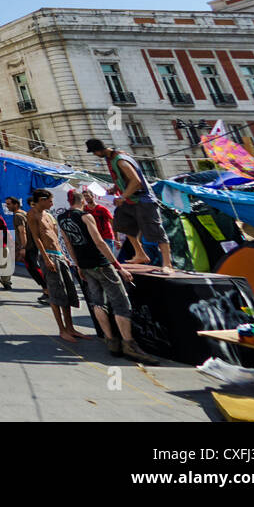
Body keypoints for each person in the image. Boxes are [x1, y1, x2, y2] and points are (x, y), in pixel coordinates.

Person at [58, 189, 160, 364]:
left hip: (85, 264)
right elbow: (99, 242)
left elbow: (68, 242)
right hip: (100, 263)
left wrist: (78, 265)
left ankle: (111, 340)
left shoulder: (62, 218)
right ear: (81, 200)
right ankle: (128, 343)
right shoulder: (85, 216)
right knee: (120, 302)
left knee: (98, 302)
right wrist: (118, 266)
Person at [86, 140, 173, 273]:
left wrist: (122, 197)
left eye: (94, 152)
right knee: (121, 223)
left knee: (155, 230)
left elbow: (136, 181)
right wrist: (115, 188)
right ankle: (140, 254)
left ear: (98, 150)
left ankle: (167, 264)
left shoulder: (121, 160)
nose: (95, 155)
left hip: (143, 200)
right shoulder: (111, 159)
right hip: (130, 200)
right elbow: (123, 179)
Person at [27, 189, 89, 343]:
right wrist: (47, 258)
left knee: (67, 292)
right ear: (41, 200)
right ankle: (62, 330)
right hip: (48, 255)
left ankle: (70, 328)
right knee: (56, 294)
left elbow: (55, 237)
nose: (52, 204)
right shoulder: (33, 214)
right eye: (49, 201)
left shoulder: (49, 215)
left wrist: (64, 255)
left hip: (59, 255)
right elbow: (37, 238)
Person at [81, 188, 119, 257]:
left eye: (87, 195)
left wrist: (116, 239)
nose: (86, 198)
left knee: (109, 259)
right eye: (84, 196)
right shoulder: (84, 209)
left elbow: (113, 223)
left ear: (92, 196)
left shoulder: (102, 209)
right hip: (93, 238)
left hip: (106, 237)